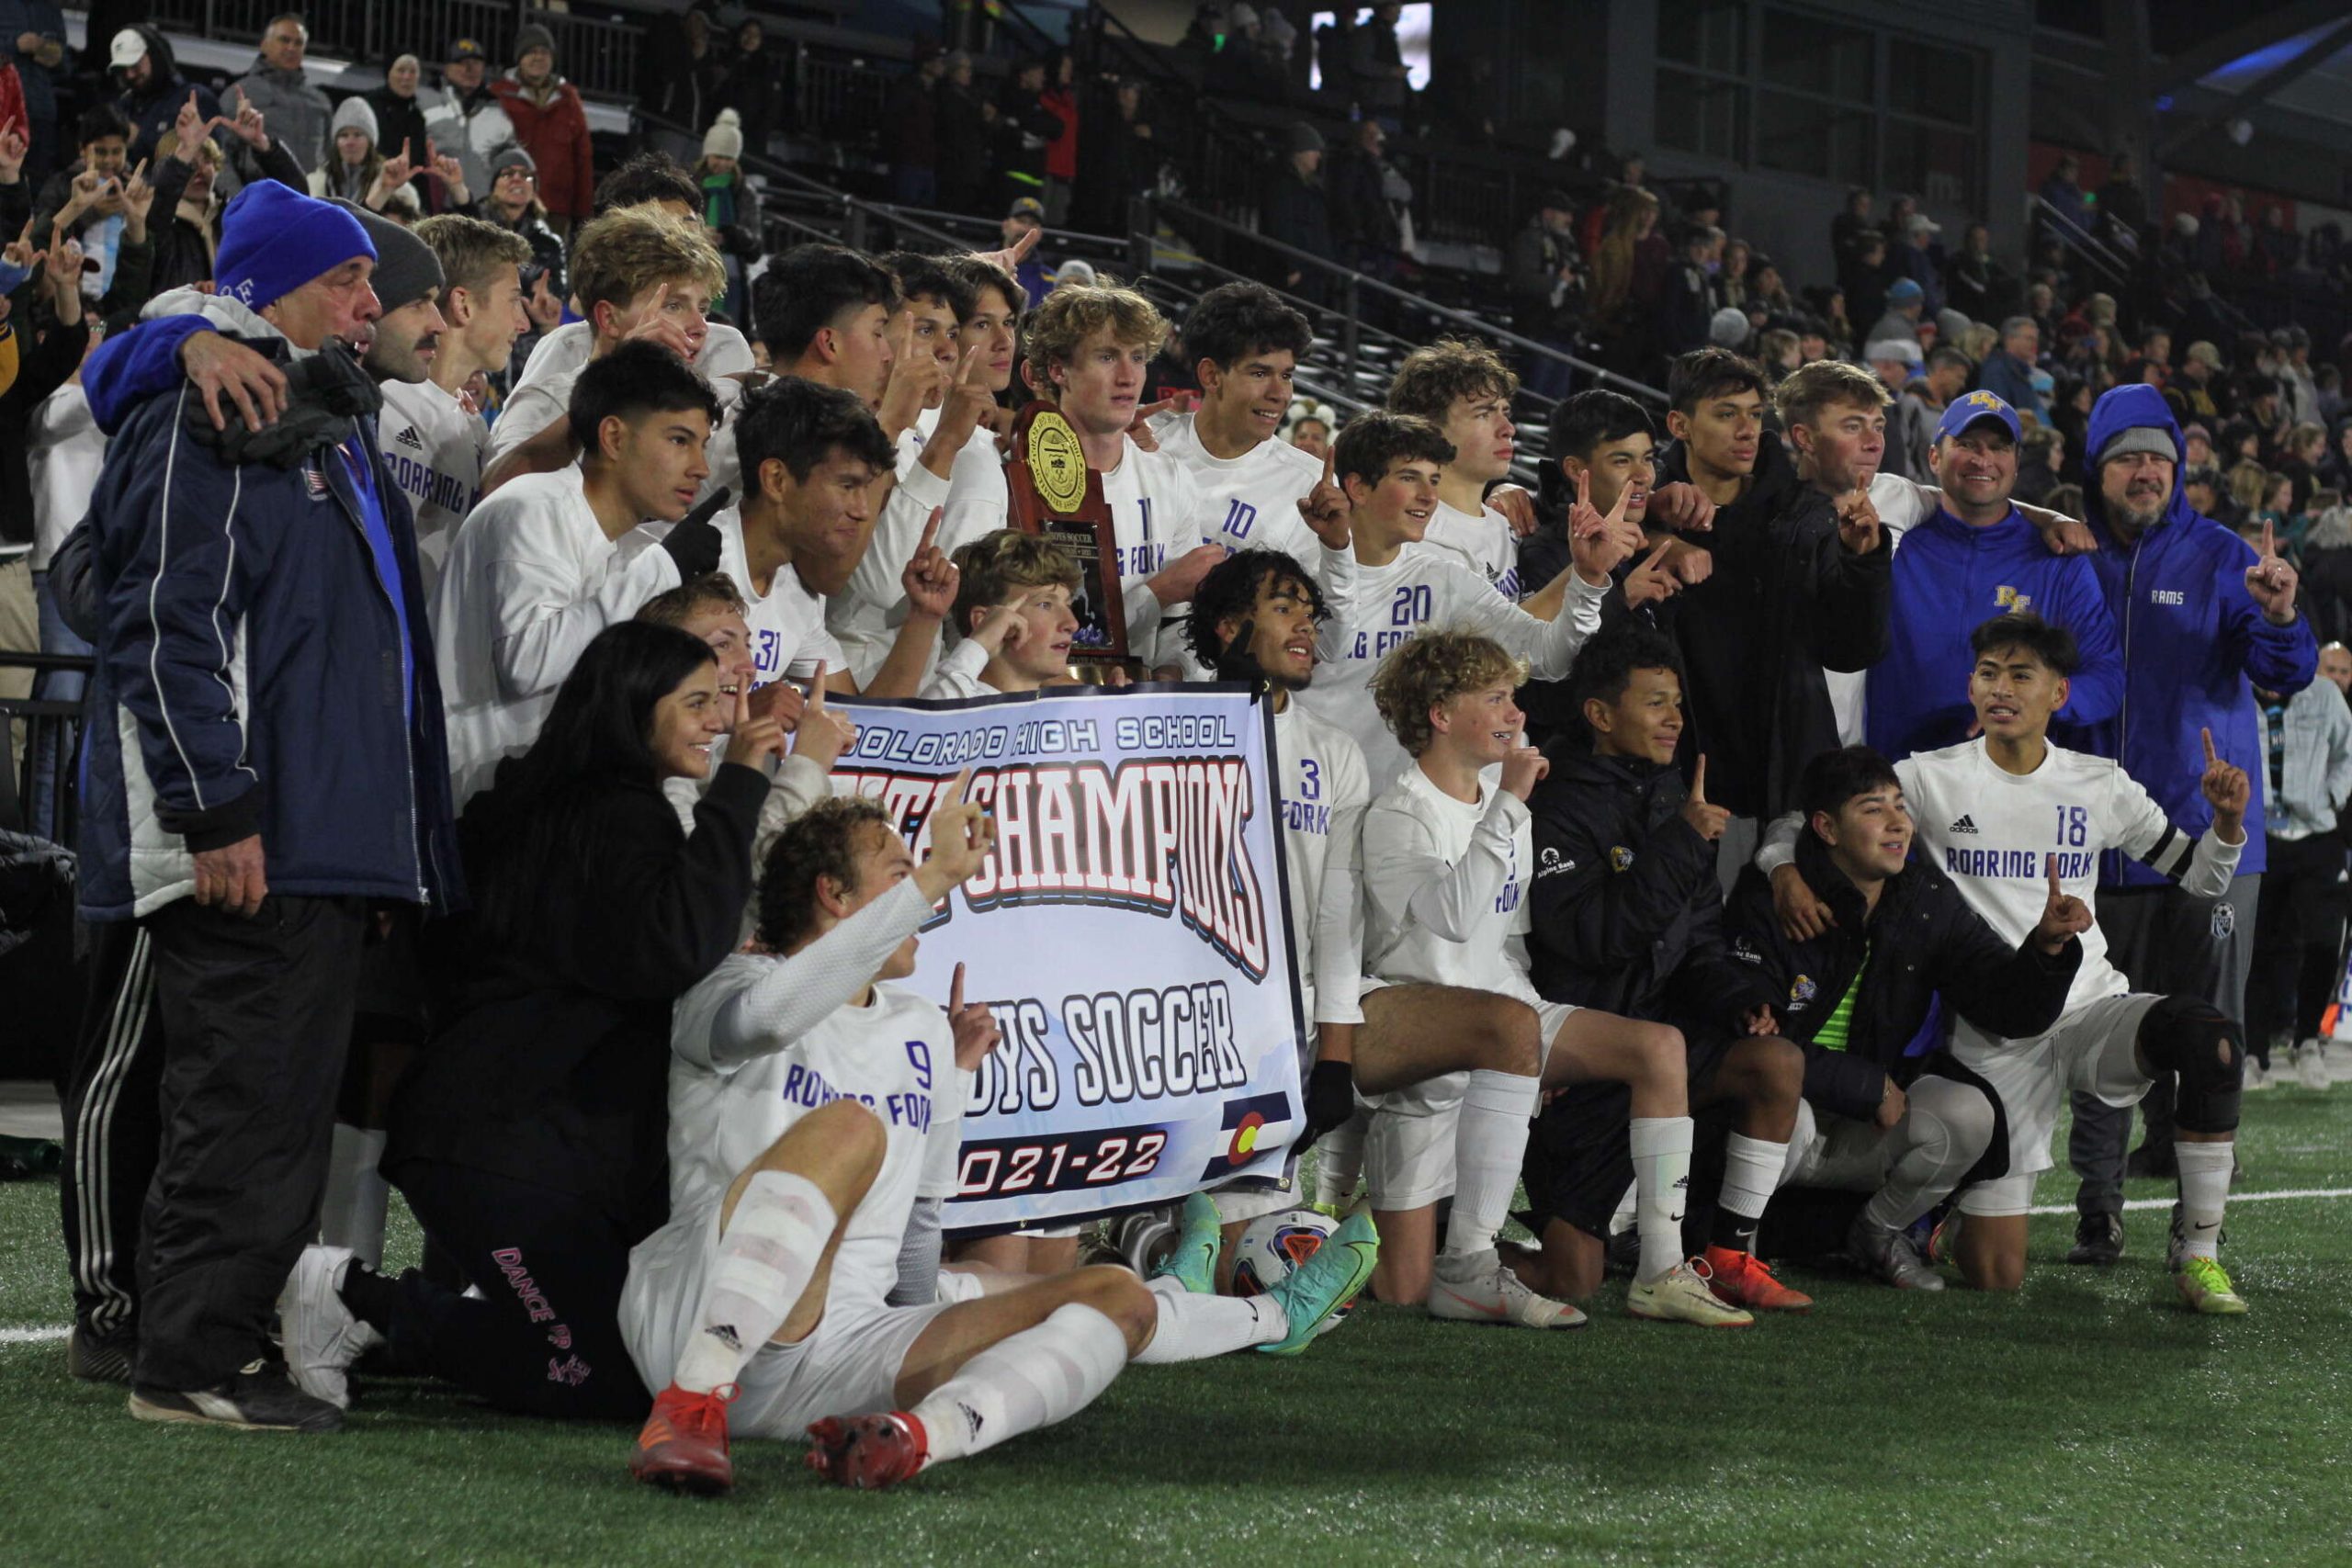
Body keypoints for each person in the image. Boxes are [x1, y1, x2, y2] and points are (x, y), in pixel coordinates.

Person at [619, 788, 1379, 1495]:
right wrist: (934, 875)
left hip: (836, 1354)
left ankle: (916, 1439)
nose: (928, 892)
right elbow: (767, 1020)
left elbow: (918, 1223)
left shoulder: (918, 1029)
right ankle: (690, 1405)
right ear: (834, 894)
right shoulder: (728, 985)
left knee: (1113, 1294)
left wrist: (926, 1325)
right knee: (851, 1129)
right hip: (696, 1318)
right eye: (901, 874)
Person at [77, 179, 457, 1429]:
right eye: (349, 281)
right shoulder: (217, 401)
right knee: (240, 1102)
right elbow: (163, 615)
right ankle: (186, 1359)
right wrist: (214, 805)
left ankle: (215, 1345)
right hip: (260, 833)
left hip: (322, 834)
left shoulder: (320, 413)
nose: (372, 304)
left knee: (276, 1106)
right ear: (274, 286)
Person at [277, 620, 782, 1419]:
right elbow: (676, 942)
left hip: (507, 1144)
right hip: (511, 1155)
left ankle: (445, 1310)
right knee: (602, 1377)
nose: (718, 722)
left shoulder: (520, 803)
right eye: (696, 703)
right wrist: (745, 780)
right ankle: (351, 1296)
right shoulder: (620, 817)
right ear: (634, 708)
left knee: (656, 1350)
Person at [1762, 615, 2256, 1311]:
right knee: (1996, 1275)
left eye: (2020, 674)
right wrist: (1784, 868)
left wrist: (2227, 826)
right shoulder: (1930, 780)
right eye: (1989, 673)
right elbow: (1810, 813)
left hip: (2087, 1007)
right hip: (1994, 1034)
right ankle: (1948, 1217)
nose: (2001, 687)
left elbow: (2199, 875)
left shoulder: (2098, 782)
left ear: (2059, 692)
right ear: (1970, 685)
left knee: (2211, 1039)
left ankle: (2199, 1253)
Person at [2063, 384, 2315, 1261]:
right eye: (2128, 458)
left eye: (2160, 460)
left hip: (2210, 837)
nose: (2146, 473)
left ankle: (2194, 1230)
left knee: (2210, 1028)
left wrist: (2282, 611)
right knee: (2098, 1027)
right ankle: (2097, 1210)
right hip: (2098, 838)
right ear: (2099, 468)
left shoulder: (2224, 556)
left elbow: (2285, 672)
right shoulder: (2070, 550)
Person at [1518, 627, 1810, 1322]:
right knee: (1571, 1281)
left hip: (1665, 1059)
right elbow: (1595, 940)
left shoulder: (1672, 796)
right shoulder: (1558, 805)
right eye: (1656, 703)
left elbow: (1699, 940)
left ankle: (1727, 1256)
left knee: (1774, 1061)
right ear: (1600, 715)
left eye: (1677, 703)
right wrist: (1681, 841)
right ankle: (1448, 1247)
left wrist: (1737, 996)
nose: (1676, 718)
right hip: (1585, 1081)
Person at [1720, 746, 2080, 1289]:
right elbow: (1753, 1040)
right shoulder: (1775, 897)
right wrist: (1865, 1086)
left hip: (1867, 1118)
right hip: (1787, 1115)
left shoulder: (1927, 899)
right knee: (1779, 1102)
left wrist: (2046, 951)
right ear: (1826, 827)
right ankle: (1734, 1248)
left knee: (1968, 1114)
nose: (1898, 824)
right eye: (1873, 809)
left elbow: (2005, 1002)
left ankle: (1879, 1233)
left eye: (1900, 806)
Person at [434, 340, 722, 806]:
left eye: (702, 445)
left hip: (529, 811)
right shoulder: (533, 507)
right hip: (464, 814)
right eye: (678, 440)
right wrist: (663, 569)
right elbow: (528, 662)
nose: (701, 467)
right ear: (613, 438)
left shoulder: (623, 545)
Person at [1645, 352, 1893, 881]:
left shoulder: (1806, 516)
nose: (1746, 431)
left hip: (1778, 780)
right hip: (1666, 772)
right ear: (1679, 424)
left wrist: (1862, 561)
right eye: (1726, 413)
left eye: (1755, 415)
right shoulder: (1641, 504)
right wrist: (1651, 532)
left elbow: (1851, 650)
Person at [1295, 411, 1625, 793]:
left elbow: (1549, 657)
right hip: (1315, 802)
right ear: (1358, 488)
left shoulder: (1445, 581)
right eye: (1409, 477)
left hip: (1407, 812)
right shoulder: (1297, 579)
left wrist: (1587, 579)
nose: (1429, 496)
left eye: (1434, 480)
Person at [1859, 391, 2122, 763]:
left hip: (2010, 785)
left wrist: (2029, 706)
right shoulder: (1895, 543)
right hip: (1895, 779)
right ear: (1934, 456)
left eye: (1999, 448)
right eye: (1966, 444)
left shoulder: (2058, 560)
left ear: (2016, 464)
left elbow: (2106, 677)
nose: (1983, 459)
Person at [1001, 282, 1223, 672]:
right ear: (1057, 369)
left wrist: (1170, 678)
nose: (1128, 376)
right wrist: (1157, 593)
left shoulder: (1170, 478)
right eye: (1107, 357)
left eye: (1137, 357)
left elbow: (1182, 624)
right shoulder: (1015, 478)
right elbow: (1015, 630)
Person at [714, 374, 956, 702]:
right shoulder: (692, 567)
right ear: (777, 480)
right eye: (847, 486)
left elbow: (863, 727)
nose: (862, 510)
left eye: (865, 488)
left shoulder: (795, 591)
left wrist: (924, 616)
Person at [482, 203, 724, 490]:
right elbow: (495, 491)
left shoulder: (688, 416)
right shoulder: (550, 400)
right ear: (609, 318)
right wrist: (613, 384)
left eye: (704, 309)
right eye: (674, 306)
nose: (700, 327)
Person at [380, 213, 529, 592]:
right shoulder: (377, 401)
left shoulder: (475, 430)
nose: (523, 322)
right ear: (463, 305)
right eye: (513, 301)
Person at [1153, 281, 1328, 563]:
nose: (1279, 394)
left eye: (1286, 376)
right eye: (1259, 374)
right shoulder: (1149, 445)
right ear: (1211, 376)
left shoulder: (1309, 485)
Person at [2245, 641, 2352, 1090]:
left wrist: (2330, 798)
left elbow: (2347, 751)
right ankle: (2254, 1052)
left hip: (2317, 835)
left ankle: (2307, 1039)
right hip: (2259, 835)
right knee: (2258, 948)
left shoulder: (2324, 694)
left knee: (2325, 941)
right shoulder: (2232, 691)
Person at [1385, 339, 1524, 598]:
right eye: (1484, 413)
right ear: (1429, 429)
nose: (1508, 429)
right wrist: (1584, 577)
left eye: (1505, 412)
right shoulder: (1416, 538)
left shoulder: (1508, 522)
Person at [491, 24, 592, 238]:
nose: (538, 57)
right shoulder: (498, 94)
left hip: (556, 209)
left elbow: (583, 157)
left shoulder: (569, 99)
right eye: (531, 52)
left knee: (551, 269)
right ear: (519, 58)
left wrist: (583, 213)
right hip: (509, 206)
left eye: (544, 52)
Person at [223, 14, 333, 175]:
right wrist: (239, 199)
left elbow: (331, 161)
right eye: (284, 40)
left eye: (298, 43)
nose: (291, 48)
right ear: (264, 45)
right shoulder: (240, 94)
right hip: (260, 197)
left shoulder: (320, 102)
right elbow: (221, 156)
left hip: (309, 199)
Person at [1506, 189, 1586, 403]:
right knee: (1536, 396)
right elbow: (1522, 280)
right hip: (1539, 330)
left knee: (1556, 402)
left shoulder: (1568, 244)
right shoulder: (1529, 239)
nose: (1570, 219)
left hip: (1564, 331)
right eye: (1564, 213)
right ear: (1548, 213)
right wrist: (1557, 281)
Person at [419, 38, 516, 205]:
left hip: (484, 208)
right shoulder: (425, 101)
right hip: (436, 206)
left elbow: (509, 161)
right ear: (447, 68)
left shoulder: (498, 110)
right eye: (461, 63)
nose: (469, 69)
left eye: (475, 63)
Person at [108, 26, 217, 163]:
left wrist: (139, 140)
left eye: (135, 65)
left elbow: (211, 159)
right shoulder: (125, 104)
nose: (129, 75)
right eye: (122, 69)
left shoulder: (193, 98)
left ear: (154, 56)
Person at [1261, 124, 1334, 298]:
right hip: (1299, 272)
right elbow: (1280, 224)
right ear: (1299, 152)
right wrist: (1291, 266)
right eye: (1313, 150)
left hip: (1312, 269)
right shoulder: (1283, 185)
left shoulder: (1310, 186)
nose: (1318, 155)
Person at [365, 53, 434, 209]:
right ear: (388, 72)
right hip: (376, 189)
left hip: (409, 196)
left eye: (413, 71)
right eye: (401, 70)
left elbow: (418, 163)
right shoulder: (370, 107)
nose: (407, 77)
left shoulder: (417, 116)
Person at [1977, 317, 2046, 427]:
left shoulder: (2021, 372)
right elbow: (1995, 414)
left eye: (2035, 340)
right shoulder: (1996, 370)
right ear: (2010, 339)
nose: (2034, 344)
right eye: (2029, 339)